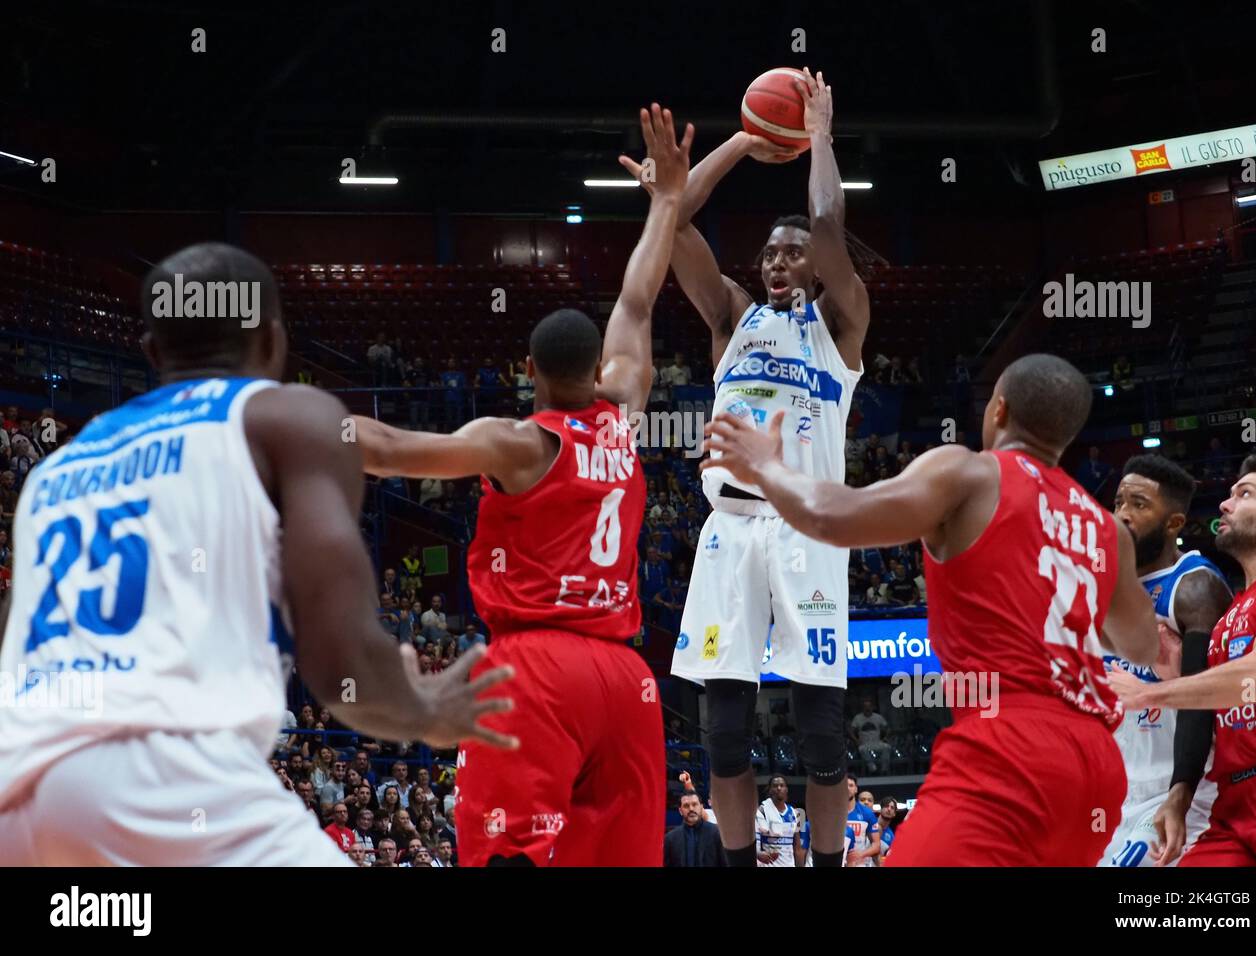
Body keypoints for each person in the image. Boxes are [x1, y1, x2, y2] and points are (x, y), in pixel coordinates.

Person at [0, 242, 515, 866]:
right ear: (274, 343)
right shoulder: (286, 419)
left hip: (16, 797)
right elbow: (338, 662)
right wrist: (423, 711)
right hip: (164, 779)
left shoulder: (53, 473)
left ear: (152, 351)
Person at [352, 105, 691, 866]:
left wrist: (273, 417)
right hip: (627, 674)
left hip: (537, 667)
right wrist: (667, 200)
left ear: (528, 372)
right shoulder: (625, 412)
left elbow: (389, 447)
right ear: (598, 373)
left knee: (507, 855)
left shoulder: (517, 441)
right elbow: (637, 303)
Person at [702, 353, 1160, 865]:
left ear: (999, 410)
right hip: (1096, 760)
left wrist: (766, 467)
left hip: (1010, 744)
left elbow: (835, 518)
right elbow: (1143, 643)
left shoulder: (969, 473)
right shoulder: (1107, 528)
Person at [665, 69, 882, 869]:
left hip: (808, 534)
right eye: (770, 253)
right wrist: (743, 141)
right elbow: (674, 217)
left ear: (817, 266)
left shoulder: (840, 323)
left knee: (822, 735)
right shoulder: (731, 316)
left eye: (793, 253)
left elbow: (829, 219)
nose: (780, 262)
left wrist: (819, 138)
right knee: (723, 735)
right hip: (729, 534)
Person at [1110, 456, 1256, 867]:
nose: (1225, 505)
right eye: (1229, 495)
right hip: (1232, 800)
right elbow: (1218, 704)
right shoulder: (1234, 612)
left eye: (1244, 494)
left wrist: (1150, 693)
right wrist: (1179, 797)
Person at [1101, 455, 1232, 867]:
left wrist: (1180, 794)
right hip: (1115, 791)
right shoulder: (1100, 584)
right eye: (1119, 501)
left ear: (1174, 523)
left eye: (1139, 505)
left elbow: (1203, 707)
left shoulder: (1194, 587)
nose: (1123, 514)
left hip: (1177, 788)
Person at [664, 791, 725, 867]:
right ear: (680, 811)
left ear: (701, 807)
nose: (691, 809)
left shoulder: (716, 833)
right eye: (686, 806)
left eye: (694, 804)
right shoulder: (670, 838)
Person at [755, 777, 800, 867]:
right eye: (775, 786)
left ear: (786, 789)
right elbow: (754, 841)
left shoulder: (796, 813)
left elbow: (797, 847)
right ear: (770, 790)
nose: (779, 788)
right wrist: (758, 854)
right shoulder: (761, 811)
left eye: (782, 785)